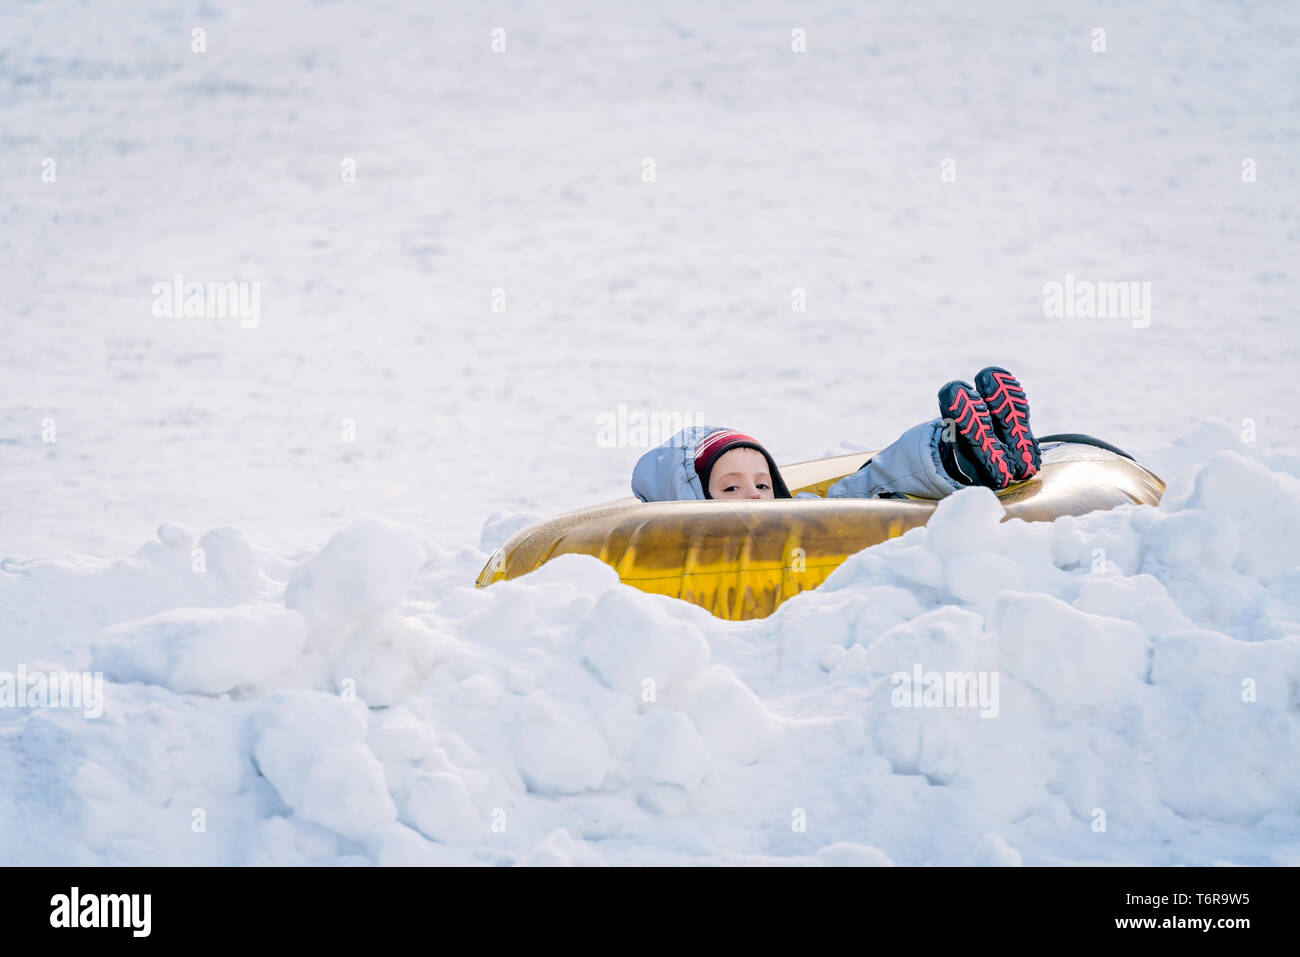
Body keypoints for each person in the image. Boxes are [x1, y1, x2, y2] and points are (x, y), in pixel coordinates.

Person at [631, 366, 1041, 502]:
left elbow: (860, 491)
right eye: (732, 489)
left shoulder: (792, 517)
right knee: (874, 486)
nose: (755, 495)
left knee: (870, 485)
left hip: (956, 475)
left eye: (762, 482)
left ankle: (960, 447)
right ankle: (971, 459)